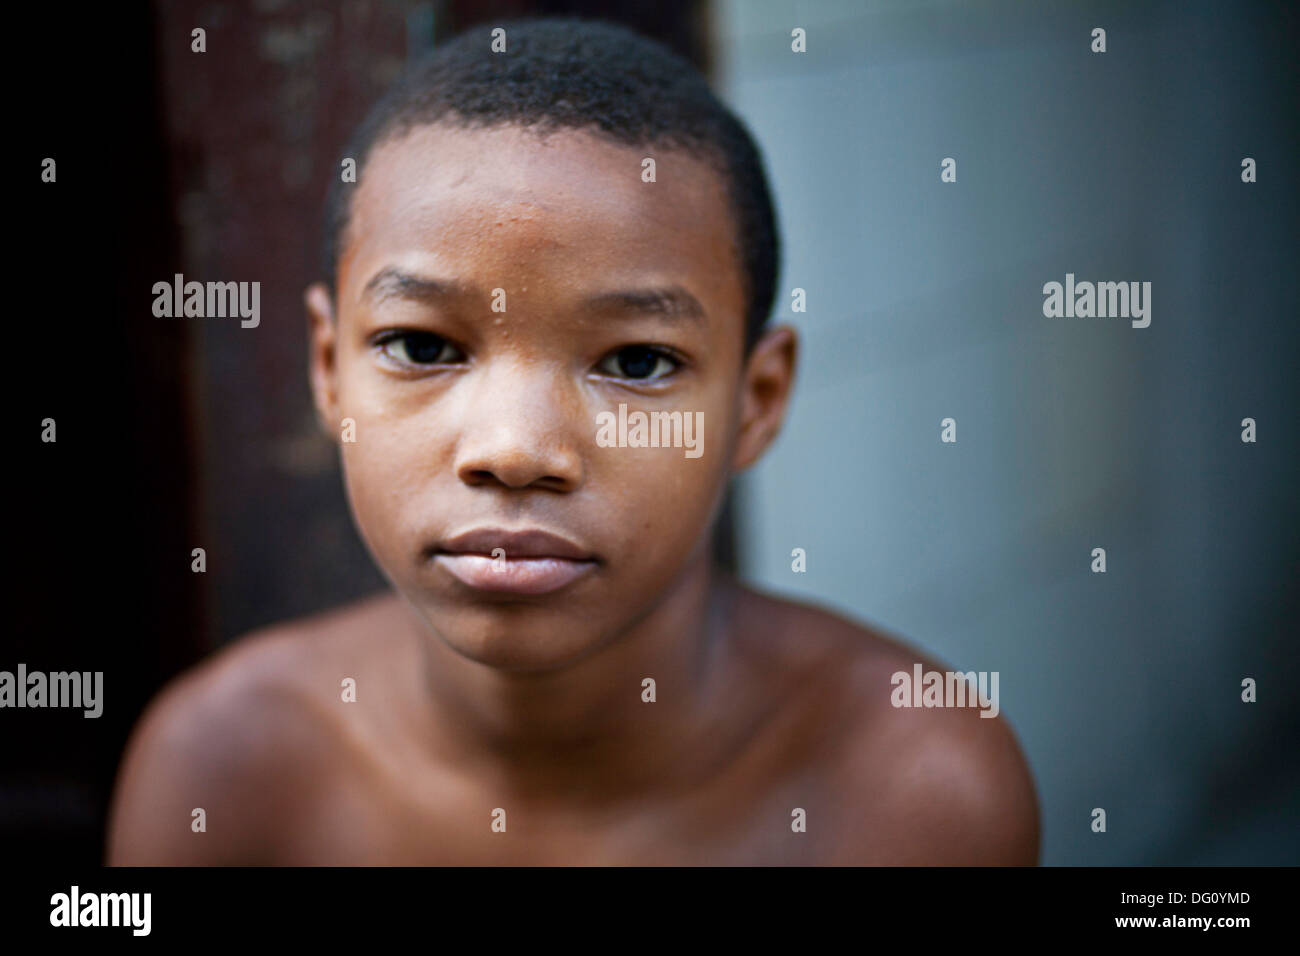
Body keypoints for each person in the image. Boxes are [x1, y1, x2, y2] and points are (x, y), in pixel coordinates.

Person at [107, 17, 1039, 865]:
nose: (514, 450)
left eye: (636, 363)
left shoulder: (912, 790)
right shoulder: (221, 774)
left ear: (756, 400)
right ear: (327, 370)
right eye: (423, 347)